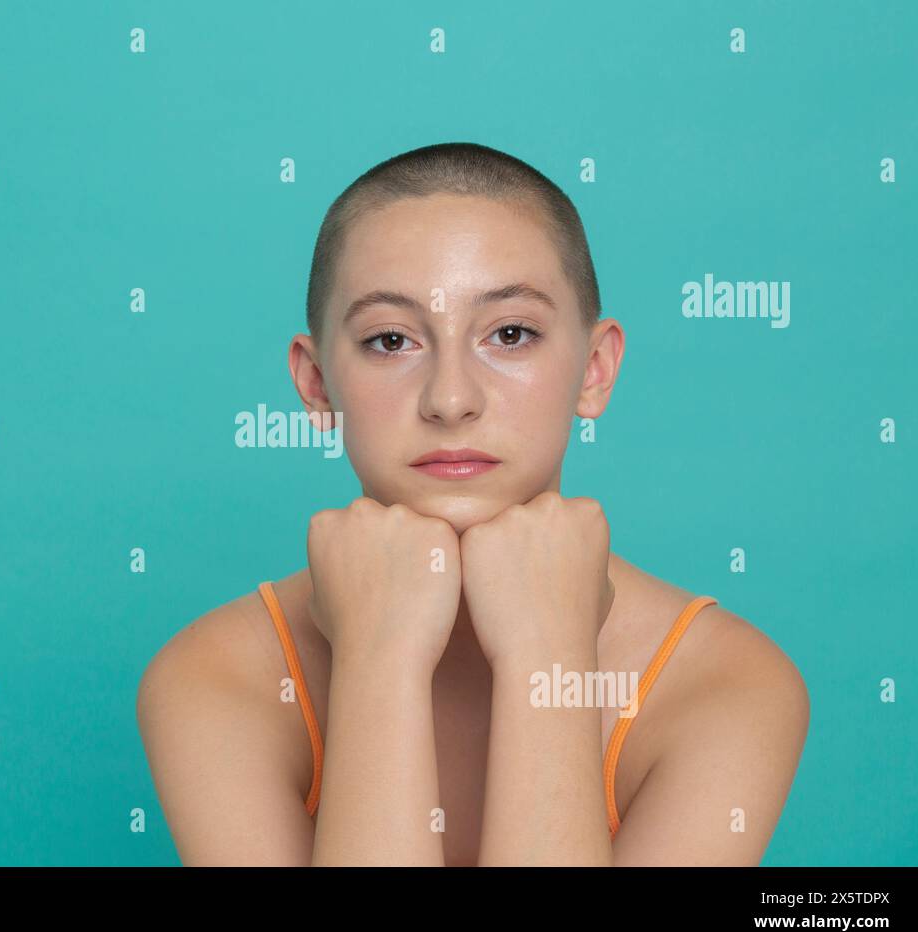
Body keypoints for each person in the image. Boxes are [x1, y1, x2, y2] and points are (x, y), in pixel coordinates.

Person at [136, 142, 809, 866]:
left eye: (510, 334)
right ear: (315, 382)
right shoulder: (212, 678)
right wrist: (379, 657)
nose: (451, 399)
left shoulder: (727, 683)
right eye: (390, 340)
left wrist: (547, 651)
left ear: (594, 368)